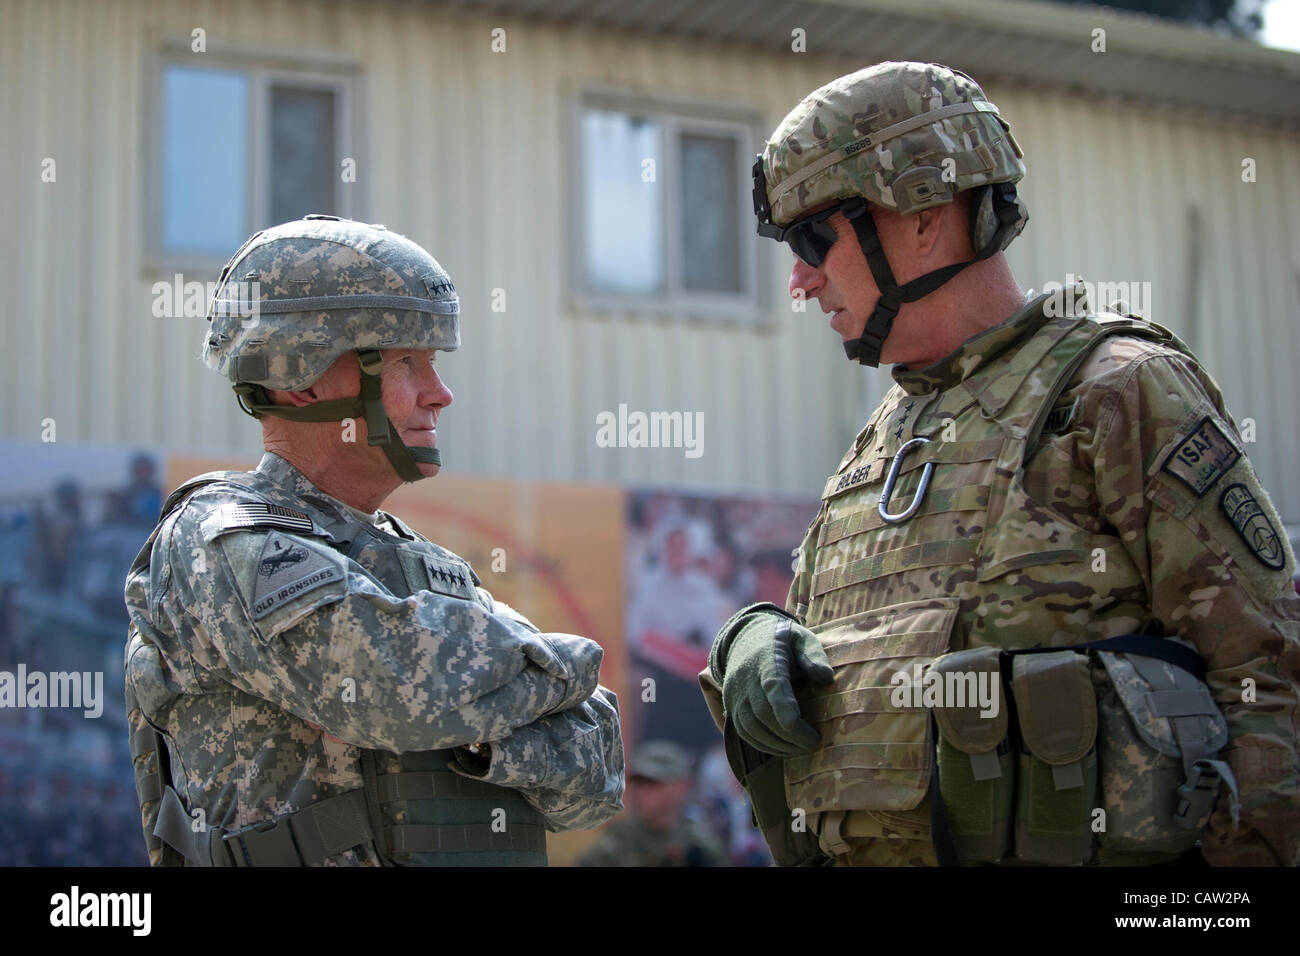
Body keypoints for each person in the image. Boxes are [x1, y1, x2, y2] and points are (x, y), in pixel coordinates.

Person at [700, 62, 1300, 867]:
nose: (800, 281)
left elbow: (1266, 682)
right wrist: (764, 637)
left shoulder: (1116, 392)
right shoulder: (878, 443)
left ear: (923, 212)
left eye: (815, 239)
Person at [124, 215, 624, 866]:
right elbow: (396, 682)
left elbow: (596, 781)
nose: (440, 394)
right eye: (406, 363)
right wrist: (566, 673)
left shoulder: (427, 568)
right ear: (301, 376)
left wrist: (476, 739)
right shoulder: (213, 542)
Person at [576, 739, 725, 866]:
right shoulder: (619, 839)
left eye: (653, 784)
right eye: (639, 784)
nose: (642, 793)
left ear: (680, 787)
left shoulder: (699, 846)